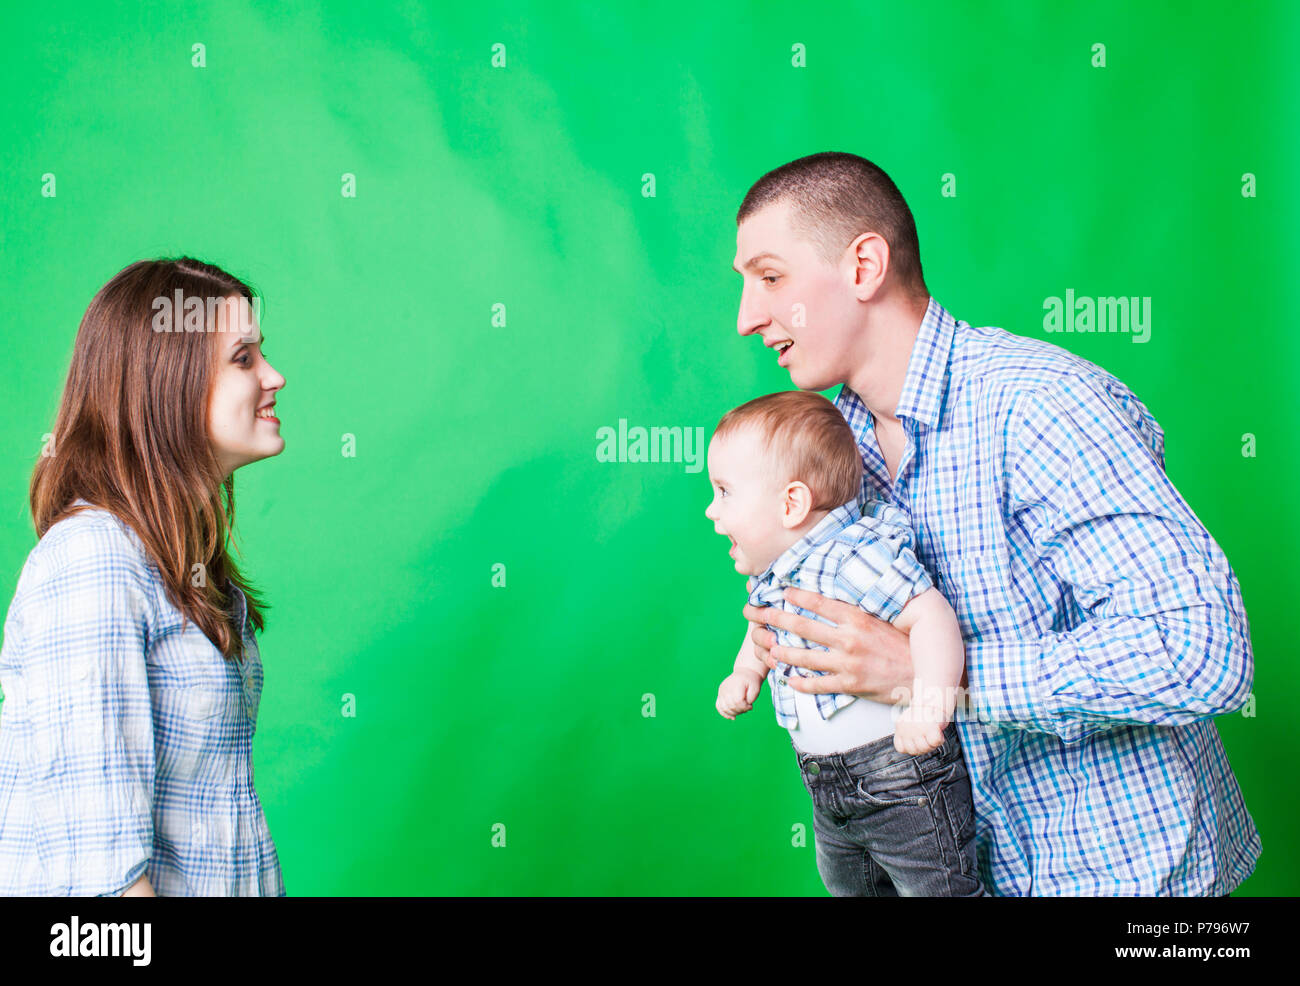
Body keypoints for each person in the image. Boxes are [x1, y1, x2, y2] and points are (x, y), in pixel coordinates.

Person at [728, 151, 1260, 896]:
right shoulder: (830, 453)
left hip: (1122, 882)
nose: (747, 317)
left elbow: (1202, 651)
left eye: (770, 277)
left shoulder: (1042, 406)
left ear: (863, 266)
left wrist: (933, 676)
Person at [0, 257, 288, 896]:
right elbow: (102, 883)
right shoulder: (92, 561)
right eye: (244, 359)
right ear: (169, 384)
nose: (275, 377)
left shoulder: (180, 565)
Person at [708, 390, 983, 896]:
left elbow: (931, 616)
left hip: (900, 783)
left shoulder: (852, 557)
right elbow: (762, 630)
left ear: (791, 503)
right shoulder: (777, 574)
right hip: (826, 788)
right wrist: (746, 671)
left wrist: (930, 702)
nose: (711, 510)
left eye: (724, 492)